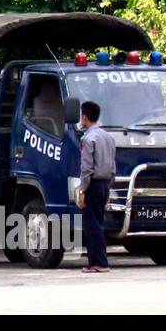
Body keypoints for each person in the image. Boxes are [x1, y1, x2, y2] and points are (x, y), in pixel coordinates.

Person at [76, 100, 116, 274]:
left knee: (92, 225)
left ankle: (98, 263)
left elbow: (86, 168)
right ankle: (100, 261)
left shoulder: (88, 138)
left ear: (85, 118)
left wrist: (82, 189)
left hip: (92, 184)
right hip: (105, 184)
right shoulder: (108, 137)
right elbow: (113, 166)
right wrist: (109, 188)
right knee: (99, 223)